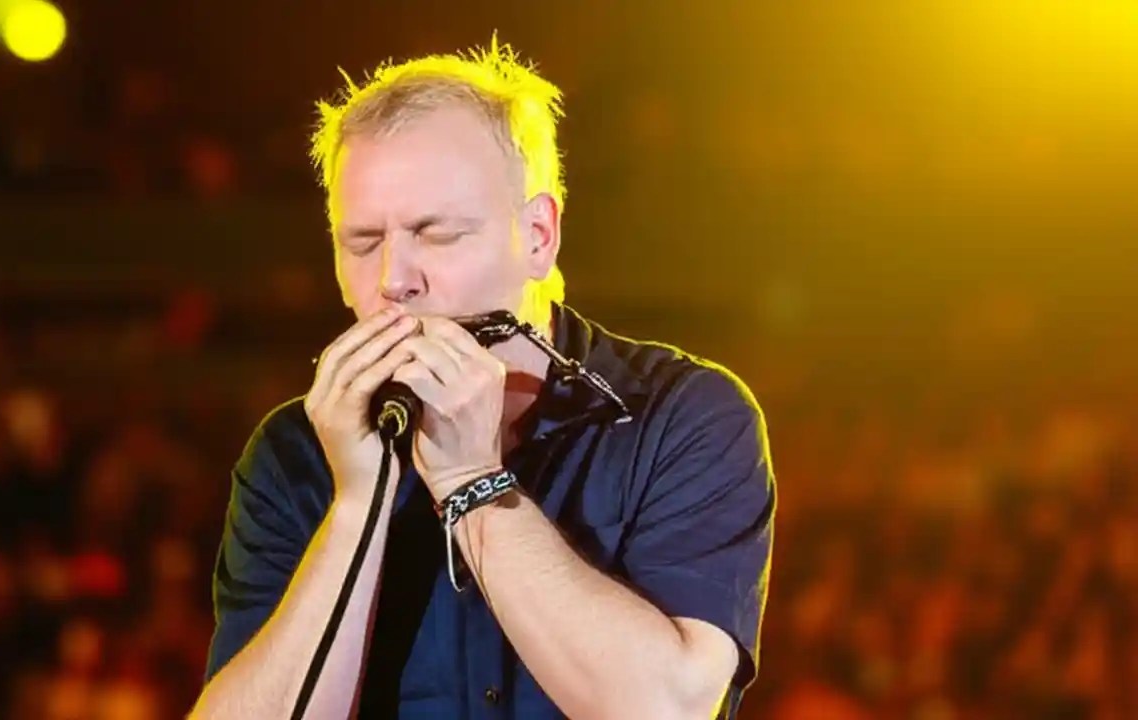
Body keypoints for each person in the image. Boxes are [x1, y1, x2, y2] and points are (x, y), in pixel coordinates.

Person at [192, 38, 775, 720]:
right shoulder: (295, 453)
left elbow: (666, 709)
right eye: (363, 242)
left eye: (436, 235)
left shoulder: (680, 417)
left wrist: (471, 480)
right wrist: (357, 505)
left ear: (537, 236)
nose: (394, 281)